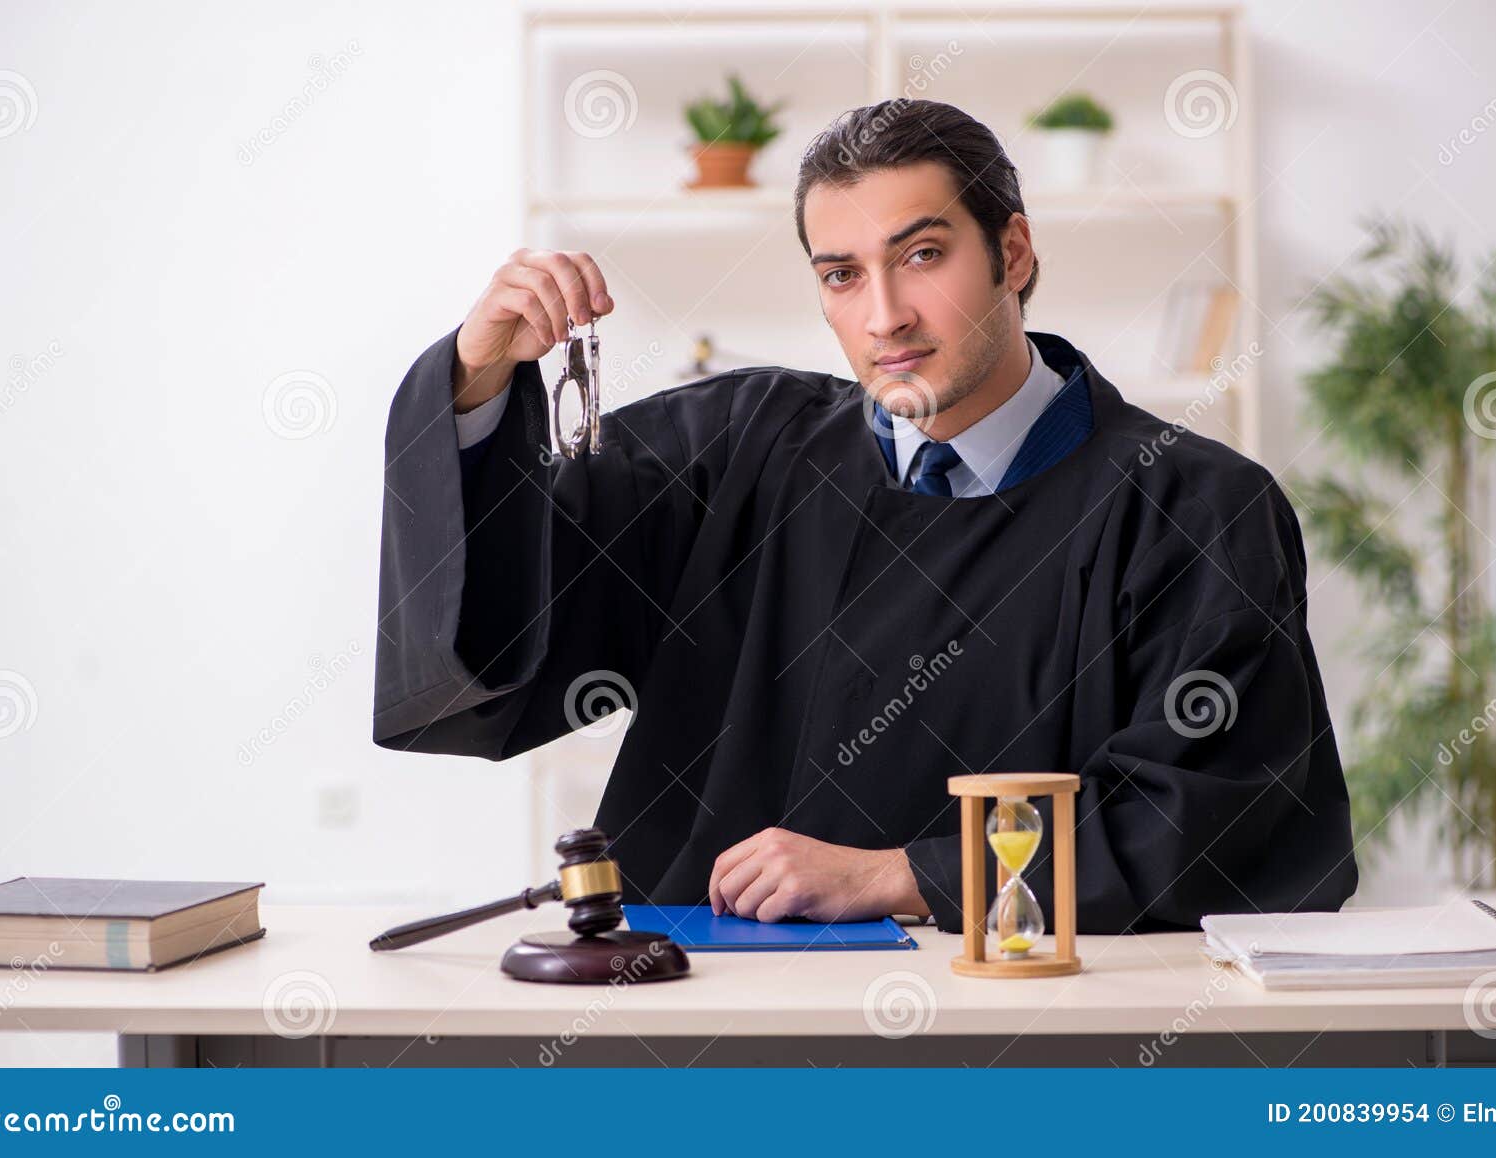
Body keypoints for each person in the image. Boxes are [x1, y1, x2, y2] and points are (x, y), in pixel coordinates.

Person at [372, 99, 1357, 934]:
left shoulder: (1192, 508)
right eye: (842, 274)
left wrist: (902, 876)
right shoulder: (734, 447)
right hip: (706, 1019)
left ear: (1012, 252)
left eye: (922, 254)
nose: (885, 315)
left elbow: (1209, 825)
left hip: (1029, 1039)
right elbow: (507, 615)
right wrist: (475, 384)